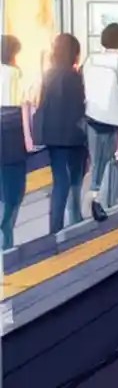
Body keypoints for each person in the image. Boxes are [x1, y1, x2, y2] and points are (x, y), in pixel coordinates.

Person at [34, 33, 88, 234]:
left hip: (53, 137)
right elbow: (79, 108)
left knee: (60, 180)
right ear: (74, 53)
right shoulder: (74, 77)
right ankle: (74, 220)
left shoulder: (48, 75)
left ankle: (55, 227)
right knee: (74, 179)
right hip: (73, 137)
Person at [82, 22, 118, 221]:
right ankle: (103, 200)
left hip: (92, 116)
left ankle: (94, 197)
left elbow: (86, 86)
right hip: (112, 119)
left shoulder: (90, 59)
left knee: (96, 162)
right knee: (110, 159)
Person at [0, 35, 31, 249]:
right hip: (12, 129)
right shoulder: (15, 73)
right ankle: (6, 230)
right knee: (16, 187)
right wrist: (29, 138)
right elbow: (24, 106)